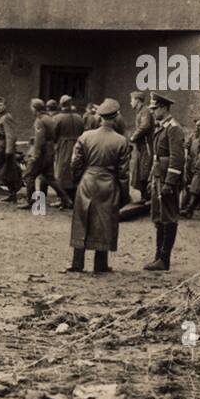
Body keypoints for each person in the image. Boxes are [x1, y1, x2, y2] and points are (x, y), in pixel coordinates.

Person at [67, 97, 130, 274]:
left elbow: (75, 163)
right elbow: (124, 172)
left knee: (81, 219)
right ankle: (100, 264)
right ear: (116, 117)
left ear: (99, 117)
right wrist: (124, 194)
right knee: (104, 221)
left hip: (87, 180)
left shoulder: (85, 136)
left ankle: (77, 263)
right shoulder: (121, 141)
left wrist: (78, 180)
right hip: (108, 183)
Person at [144, 93, 185, 271]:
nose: (153, 112)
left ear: (164, 108)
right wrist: (152, 178)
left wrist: (169, 183)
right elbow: (157, 157)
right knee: (159, 217)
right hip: (159, 177)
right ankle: (158, 256)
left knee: (168, 217)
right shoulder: (162, 127)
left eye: (155, 109)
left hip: (167, 180)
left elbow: (177, 158)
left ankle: (164, 259)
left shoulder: (173, 128)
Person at [19, 97, 67, 210]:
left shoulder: (39, 120)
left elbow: (40, 139)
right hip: (49, 151)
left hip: (41, 153)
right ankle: (66, 199)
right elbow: (51, 136)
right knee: (50, 178)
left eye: (32, 108)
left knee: (29, 176)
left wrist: (35, 155)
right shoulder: (49, 118)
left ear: (35, 109)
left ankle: (30, 201)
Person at [51, 94, 84, 210]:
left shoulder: (57, 118)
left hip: (63, 146)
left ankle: (63, 199)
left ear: (61, 104)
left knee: (62, 171)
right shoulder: (79, 117)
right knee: (74, 169)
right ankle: (73, 197)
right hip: (78, 145)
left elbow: (53, 134)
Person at [128, 91, 153, 202]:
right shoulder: (140, 112)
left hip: (146, 145)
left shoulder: (145, 111)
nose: (130, 102)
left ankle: (147, 196)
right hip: (141, 145)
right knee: (139, 170)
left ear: (137, 100)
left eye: (131, 100)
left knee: (145, 169)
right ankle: (144, 196)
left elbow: (145, 126)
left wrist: (133, 137)